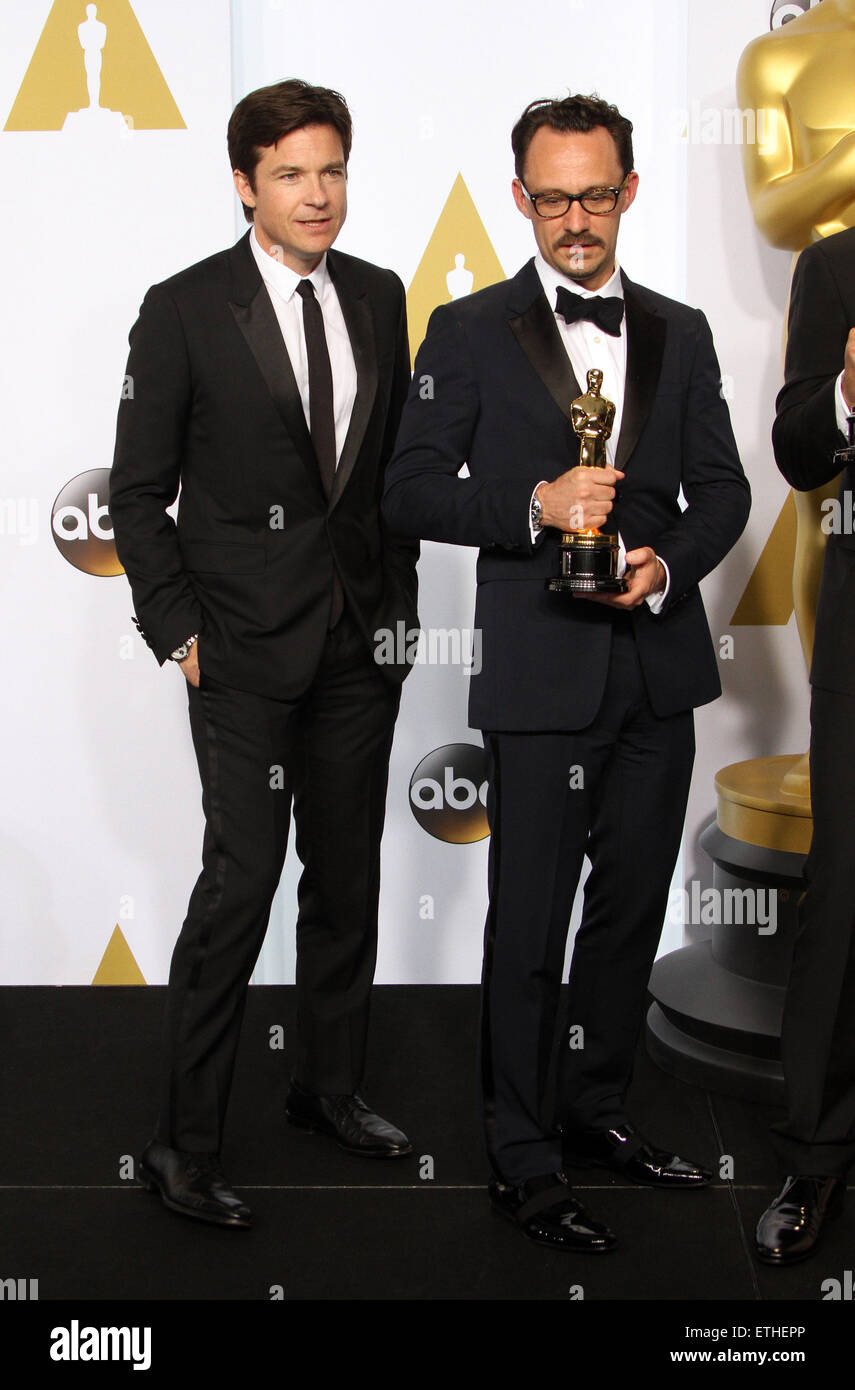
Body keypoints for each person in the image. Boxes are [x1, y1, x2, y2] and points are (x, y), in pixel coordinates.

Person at [383, 93, 750, 1252]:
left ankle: (599, 1115)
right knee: (528, 924)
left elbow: (726, 490)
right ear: (521, 200)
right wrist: (532, 505)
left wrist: (665, 567)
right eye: (554, 197)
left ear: (629, 191)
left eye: (596, 194)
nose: (576, 218)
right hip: (541, 680)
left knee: (629, 917)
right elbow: (409, 489)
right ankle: (522, 1153)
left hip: (655, 672)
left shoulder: (683, 331)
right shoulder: (466, 330)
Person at [109, 78, 418, 1229]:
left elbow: (384, 484)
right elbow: (138, 496)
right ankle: (179, 1146)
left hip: (356, 648)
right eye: (291, 173)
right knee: (241, 887)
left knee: (349, 879)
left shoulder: (383, 298)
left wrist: (395, 614)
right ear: (245, 185)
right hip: (236, 654)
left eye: (332, 170)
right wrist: (180, 630)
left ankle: (327, 1090)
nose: (318, 193)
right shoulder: (183, 308)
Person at [756, 226, 855, 1265]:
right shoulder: (836, 266)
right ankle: (818, 1153)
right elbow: (795, 447)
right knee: (845, 889)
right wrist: (848, 399)